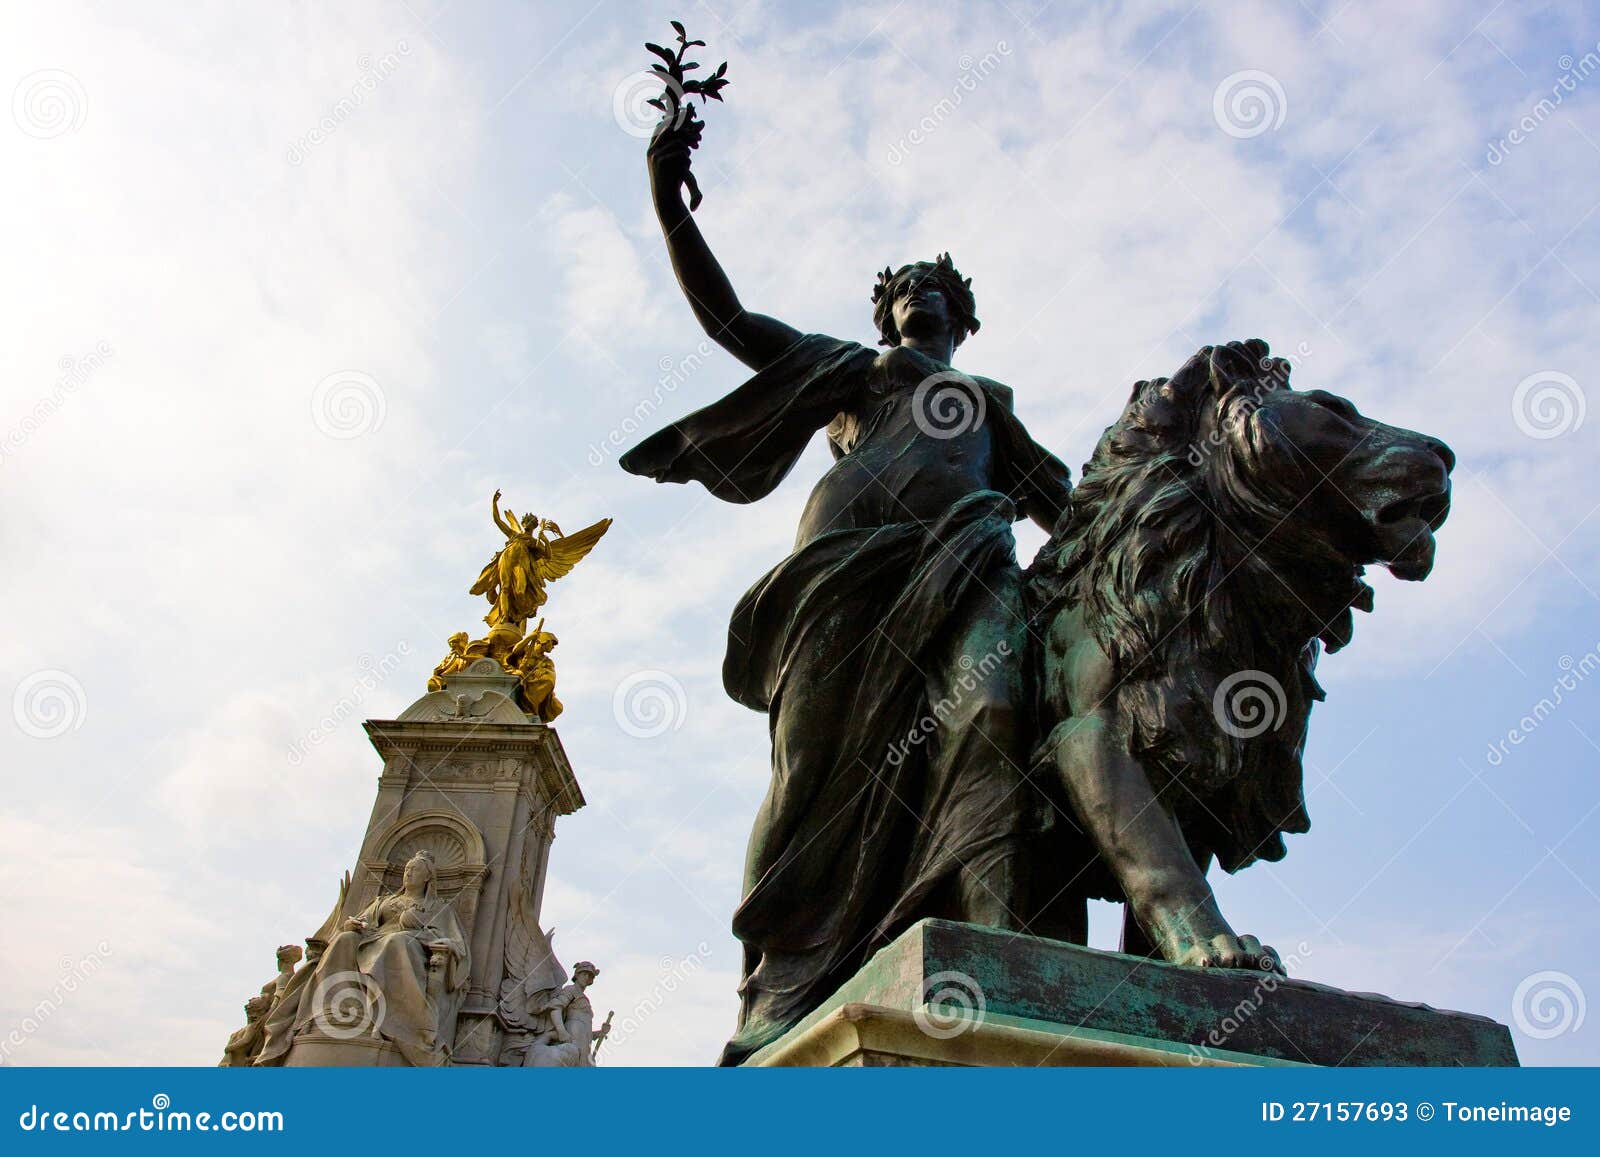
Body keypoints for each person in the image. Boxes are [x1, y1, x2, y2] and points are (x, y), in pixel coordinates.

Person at [621, 120, 1073, 1065]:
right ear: (884, 316)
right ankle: (774, 981)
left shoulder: (990, 401)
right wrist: (668, 202)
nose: (919, 295)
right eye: (904, 288)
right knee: (808, 769)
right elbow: (731, 323)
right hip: (844, 570)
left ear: (962, 314)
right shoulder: (856, 371)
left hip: (968, 560)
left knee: (993, 709)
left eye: (934, 287)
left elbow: (1064, 502)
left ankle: (992, 944)